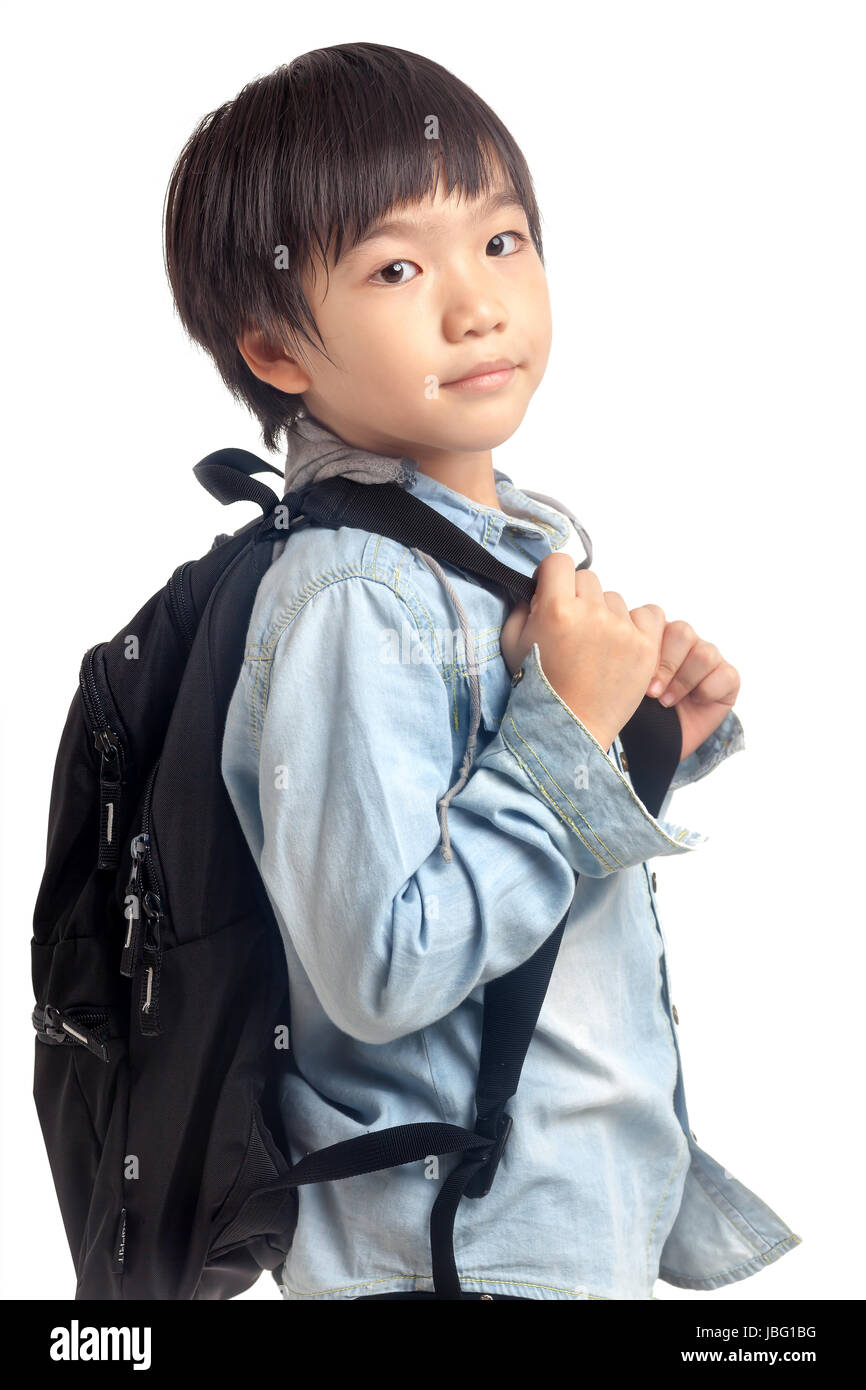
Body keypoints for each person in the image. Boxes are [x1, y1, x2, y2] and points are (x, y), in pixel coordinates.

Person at [164, 42, 801, 1301]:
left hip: (565, 1220)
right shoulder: (353, 596)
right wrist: (566, 728)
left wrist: (636, 736)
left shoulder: (505, 542)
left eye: (501, 242)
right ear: (279, 355)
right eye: (397, 267)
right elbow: (384, 965)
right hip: (458, 1253)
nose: (475, 305)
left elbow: (512, 876)